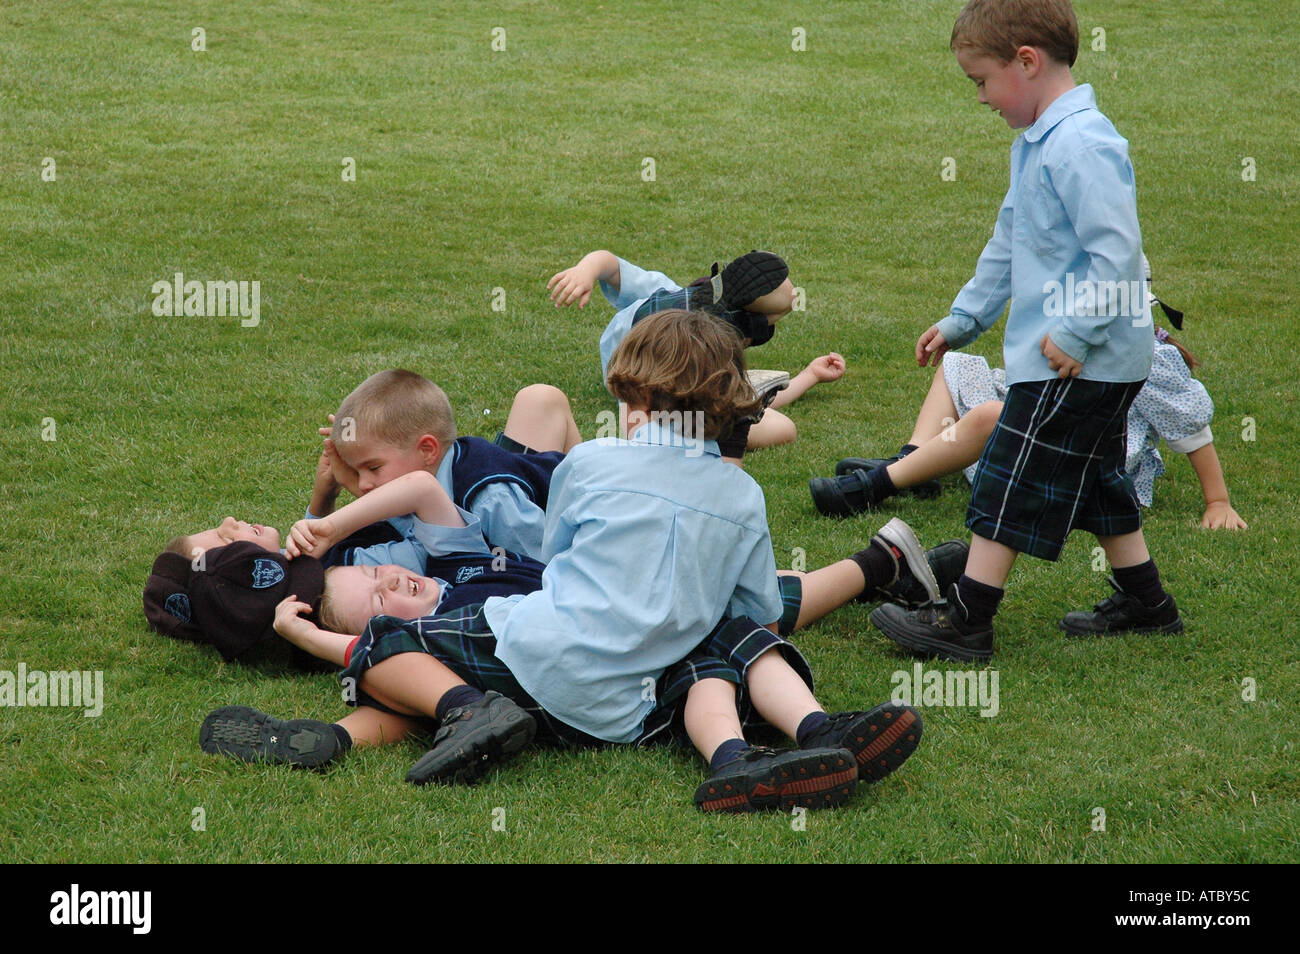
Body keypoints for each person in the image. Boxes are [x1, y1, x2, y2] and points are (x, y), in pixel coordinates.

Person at [204, 311, 951, 813]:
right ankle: (774, 745)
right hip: (620, 713)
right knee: (725, 647)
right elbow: (757, 606)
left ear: (634, 396)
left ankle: (448, 714)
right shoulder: (743, 498)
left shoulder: (590, 463)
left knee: (395, 640)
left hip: (534, 650)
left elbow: (556, 562)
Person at [870, 0, 1183, 664]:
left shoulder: (1082, 143)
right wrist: (964, 319)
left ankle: (968, 622)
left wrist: (1073, 332)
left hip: (1078, 361)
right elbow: (1010, 242)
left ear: (1028, 63)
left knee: (1008, 480)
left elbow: (1118, 252)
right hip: (1085, 360)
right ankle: (1149, 605)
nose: (980, 97)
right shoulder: (1038, 143)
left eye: (981, 81)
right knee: (1097, 484)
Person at [811, 289, 1246, 529]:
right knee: (961, 368)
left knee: (991, 417)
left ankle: (876, 485)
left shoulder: (1144, 358)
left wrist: (1218, 501)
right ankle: (914, 462)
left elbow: (1189, 426)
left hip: (1074, 470)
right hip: (1027, 446)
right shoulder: (1070, 334)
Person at [547, 249, 796, 462]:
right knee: (783, 428)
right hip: (645, 378)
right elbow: (635, 425)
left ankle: (749, 317)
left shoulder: (664, 295)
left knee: (763, 417)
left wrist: (584, 270)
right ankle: (755, 321)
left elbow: (608, 263)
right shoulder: (696, 372)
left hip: (637, 355)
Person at [312, 375, 580, 562]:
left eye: (373, 468)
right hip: (508, 480)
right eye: (356, 472)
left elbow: (546, 572)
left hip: (557, 522)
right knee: (538, 399)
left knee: (542, 402)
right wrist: (327, 497)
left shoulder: (492, 502)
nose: (363, 485)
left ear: (428, 450)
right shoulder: (435, 467)